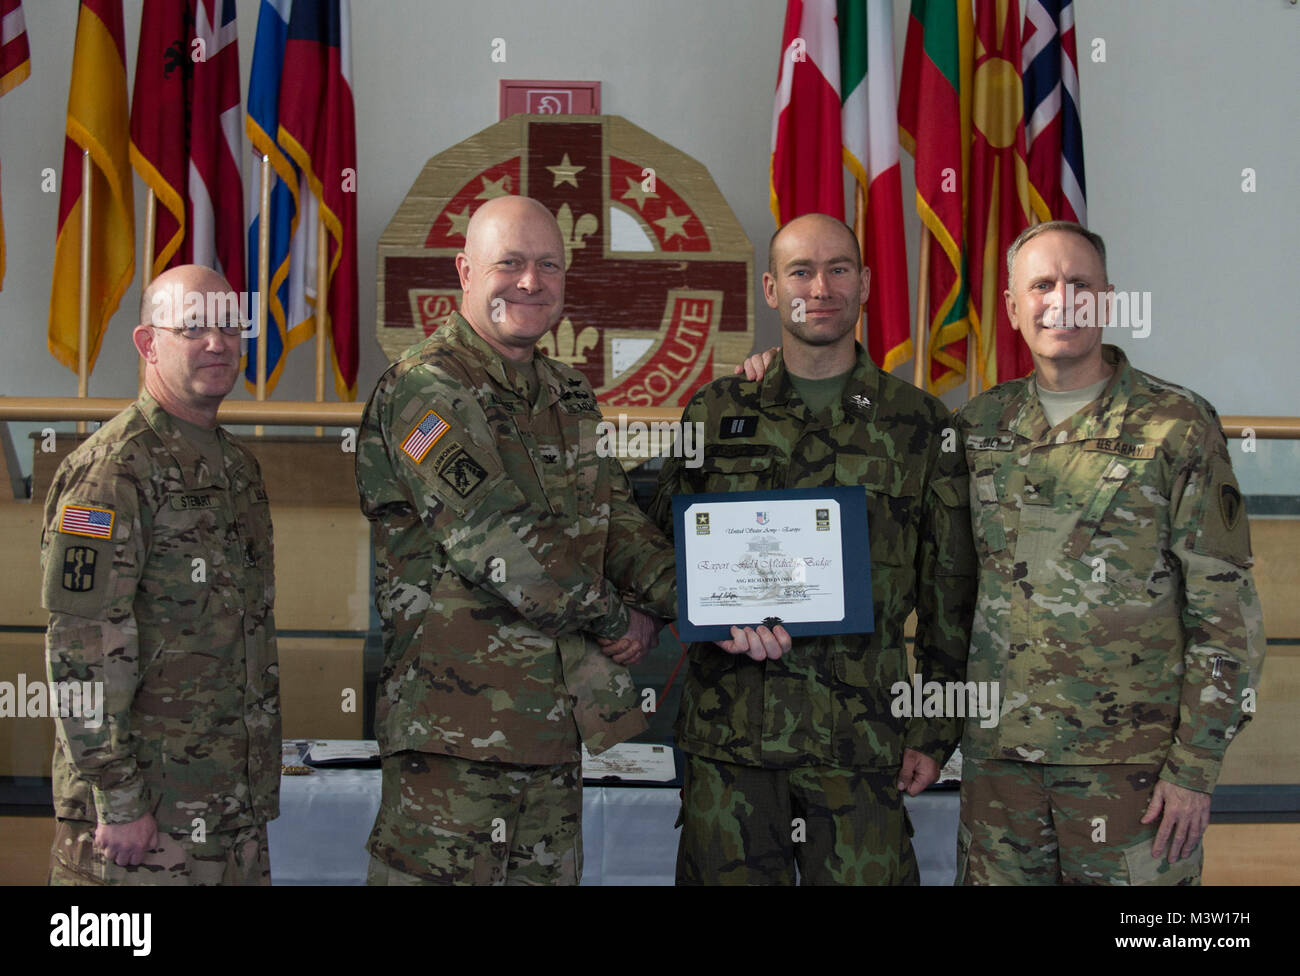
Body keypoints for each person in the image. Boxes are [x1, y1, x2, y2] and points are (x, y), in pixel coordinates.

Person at [355, 195, 677, 885]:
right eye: (510, 263)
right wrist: (622, 619)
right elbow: (498, 542)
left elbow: (616, 520)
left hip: (554, 732)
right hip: (453, 740)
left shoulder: (567, 393)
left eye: (548, 265)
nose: (530, 282)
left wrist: (707, 600)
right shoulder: (424, 389)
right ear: (465, 271)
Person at [649, 212, 976, 884]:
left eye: (838, 269)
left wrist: (936, 730)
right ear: (771, 289)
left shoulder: (919, 424)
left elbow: (952, 597)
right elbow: (663, 550)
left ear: (865, 285)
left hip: (860, 744)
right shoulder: (714, 412)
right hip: (729, 741)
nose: (819, 286)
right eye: (800, 270)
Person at [953, 221, 1264, 884]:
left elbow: (1226, 616)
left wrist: (1195, 771)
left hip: (1134, 778)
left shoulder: (1176, 425)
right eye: (1041, 285)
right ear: (1013, 307)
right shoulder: (980, 426)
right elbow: (945, 584)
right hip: (1000, 777)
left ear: (1108, 300)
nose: (1060, 299)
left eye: (1079, 283)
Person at [42, 264, 279, 885]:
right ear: (149, 343)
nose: (218, 343)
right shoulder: (110, 472)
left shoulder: (237, 468)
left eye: (231, 326)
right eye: (193, 327)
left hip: (230, 810)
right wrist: (118, 797)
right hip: (141, 824)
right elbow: (80, 646)